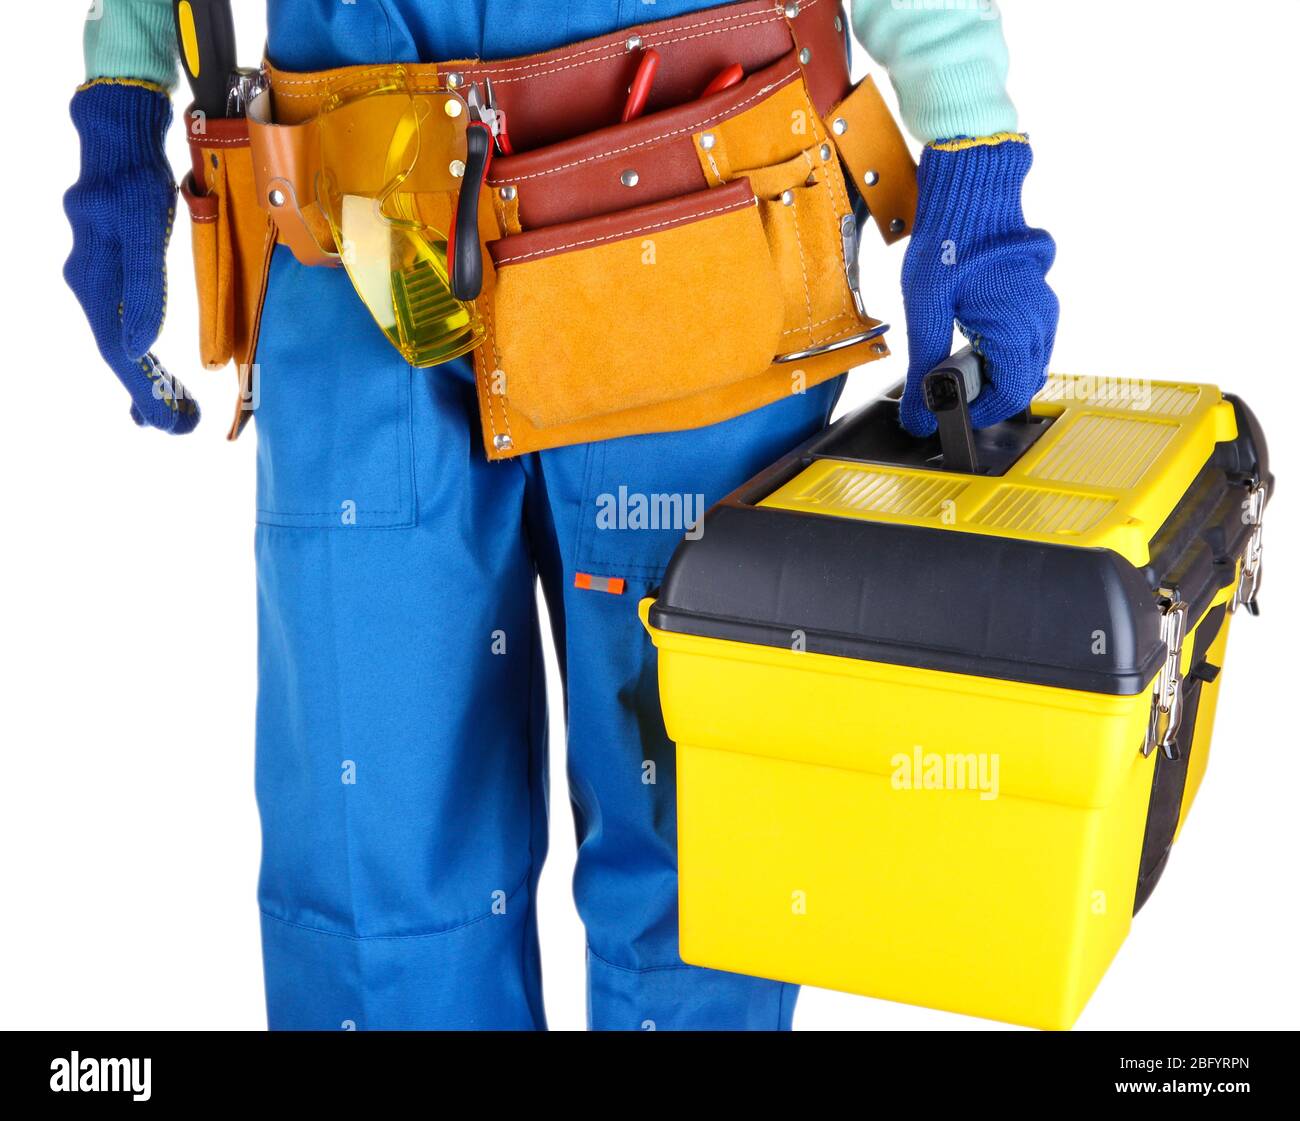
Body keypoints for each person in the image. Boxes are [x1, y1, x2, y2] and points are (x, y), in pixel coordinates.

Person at [64, 0, 1057, 1030]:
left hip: (690, 227)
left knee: (692, 858)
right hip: (352, 238)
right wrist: (124, 101)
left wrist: (970, 157)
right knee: (370, 855)